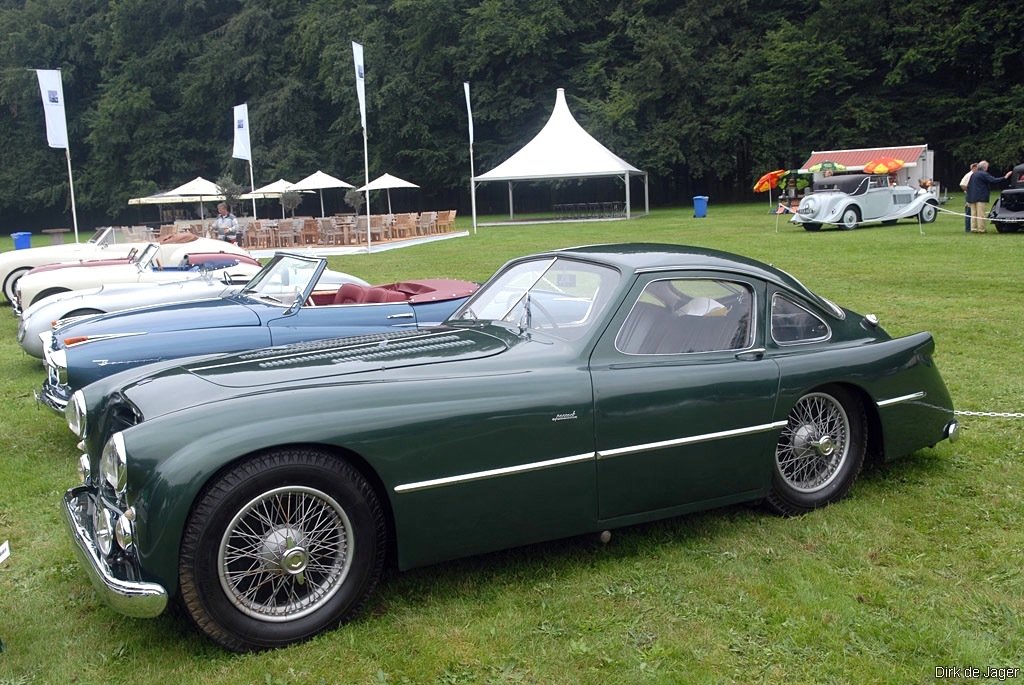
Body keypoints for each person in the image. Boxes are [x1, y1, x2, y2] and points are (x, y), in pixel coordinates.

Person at [966, 161, 1011, 233]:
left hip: (971, 197)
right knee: (981, 214)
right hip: (980, 197)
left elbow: (968, 186)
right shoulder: (984, 174)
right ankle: (981, 229)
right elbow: (993, 180)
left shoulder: (974, 174)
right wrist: (1005, 177)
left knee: (973, 214)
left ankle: (973, 228)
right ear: (985, 167)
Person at [960, 162, 978, 232]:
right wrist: (968, 191)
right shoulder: (969, 175)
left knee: (972, 212)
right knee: (969, 211)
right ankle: (968, 228)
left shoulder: (974, 175)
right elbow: (962, 184)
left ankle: (972, 227)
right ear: (974, 168)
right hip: (970, 195)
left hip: (973, 195)